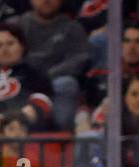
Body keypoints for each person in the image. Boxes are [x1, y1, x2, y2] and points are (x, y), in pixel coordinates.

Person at [8, 0, 87, 131]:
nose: (46, 0)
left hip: (55, 81)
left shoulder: (72, 27)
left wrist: (48, 75)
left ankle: (61, 134)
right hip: (24, 80)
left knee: (67, 83)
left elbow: (79, 59)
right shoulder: (16, 25)